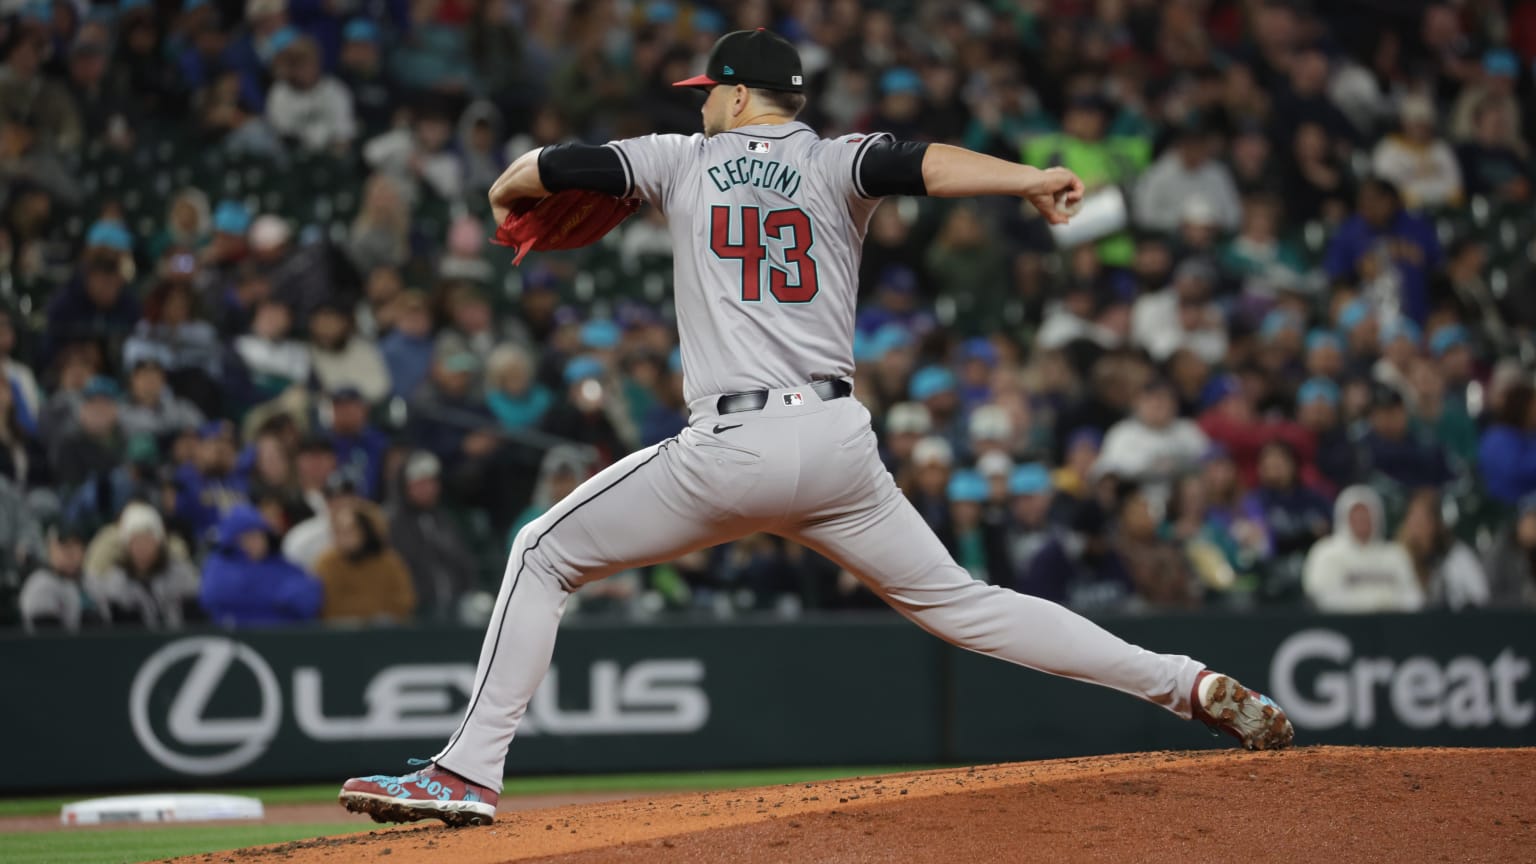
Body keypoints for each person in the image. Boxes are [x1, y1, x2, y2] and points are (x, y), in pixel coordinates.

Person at [340, 29, 1292, 827]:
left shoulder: (682, 158)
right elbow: (921, 162)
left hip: (733, 445)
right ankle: (1188, 684)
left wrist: (508, 196)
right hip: (838, 444)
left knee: (542, 552)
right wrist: (1031, 178)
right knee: (965, 605)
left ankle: (465, 773)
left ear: (741, 93)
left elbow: (535, 169)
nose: (702, 101)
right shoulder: (840, 161)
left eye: (710, 89)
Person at [389, 451, 481, 622]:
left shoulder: (446, 520)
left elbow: (464, 563)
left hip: (455, 609)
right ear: (406, 486)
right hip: (415, 614)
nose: (428, 488)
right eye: (420, 483)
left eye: (431, 482)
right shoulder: (392, 524)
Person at [1302, 484, 1423, 613]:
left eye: (1366, 515)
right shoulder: (1325, 552)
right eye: (1356, 515)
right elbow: (1323, 597)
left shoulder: (1395, 554)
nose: (1362, 520)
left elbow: (1413, 597)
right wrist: (1375, 603)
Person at [200, 504, 322, 627]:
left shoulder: (278, 562)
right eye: (249, 536)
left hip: (285, 637)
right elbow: (213, 596)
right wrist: (277, 597)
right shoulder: (220, 562)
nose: (257, 542)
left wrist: (259, 592)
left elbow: (308, 597)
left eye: (260, 535)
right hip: (237, 639)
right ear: (234, 540)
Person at [89, 503, 201, 629]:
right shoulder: (116, 581)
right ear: (127, 546)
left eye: (147, 540)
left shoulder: (181, 575)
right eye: (136, 541)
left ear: (158, 543)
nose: (142, 547)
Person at [313, 504, 416, 623]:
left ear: (367, 530)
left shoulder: (389, 562)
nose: (343, 537)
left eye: (350, 530)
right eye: (338, 531)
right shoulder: (327, 563)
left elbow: (405, 601)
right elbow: (328, 606)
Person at [1395, 489, 1489, 610]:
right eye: (1413, 517)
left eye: (1422, 519)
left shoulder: (1457, 555)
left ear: (1435, 523)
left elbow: (1480, 596)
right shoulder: (1398, 556)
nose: (1416, 526)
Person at [18, 522, 102, 633]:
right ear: (50, 550)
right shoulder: (40, 584)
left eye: (74, 545)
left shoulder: (92, 581)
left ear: (83, 550)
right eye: (63, 546)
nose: (69, 553)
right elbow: (48, 638)